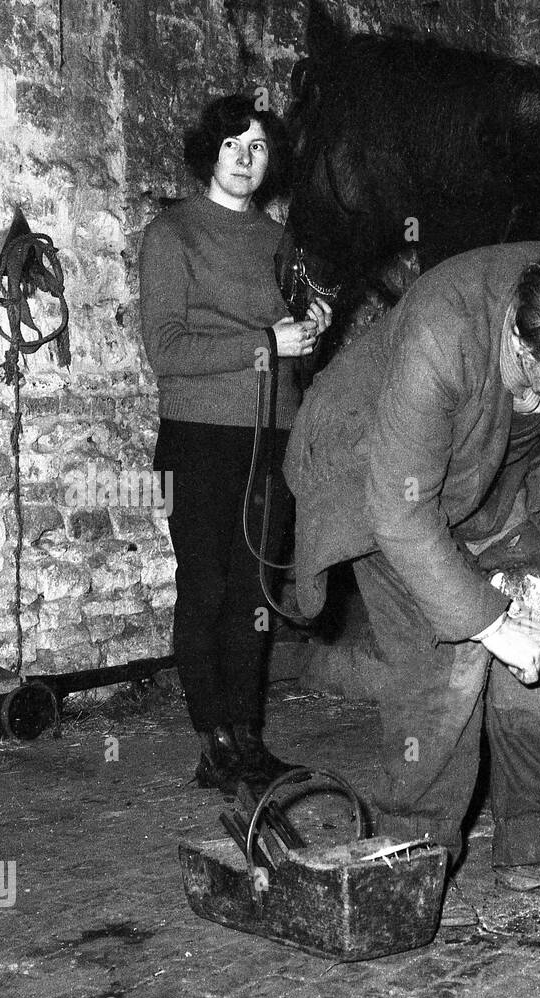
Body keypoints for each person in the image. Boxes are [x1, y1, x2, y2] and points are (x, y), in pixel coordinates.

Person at [285, 243, 540, 895]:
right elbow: (404, 515)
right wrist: (487, 622)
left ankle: (538, 847)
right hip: (384, 473)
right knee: (448, 660)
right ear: (517, 336)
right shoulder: (441, 330)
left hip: (502, 477)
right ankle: (413, 857)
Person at [138, 94, 333, 795]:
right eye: (232, 145)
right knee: (207, 588)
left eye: (257, 147)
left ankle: (248, 740)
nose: (246, 158)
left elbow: (296, 350)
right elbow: (166, 349)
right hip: (199, 439)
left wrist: (311, 331)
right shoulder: (172, 233)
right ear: (207, 154)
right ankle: (210, 742)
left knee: (257, 590)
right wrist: (266, 342)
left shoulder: (282, 243)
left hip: (271, 434)